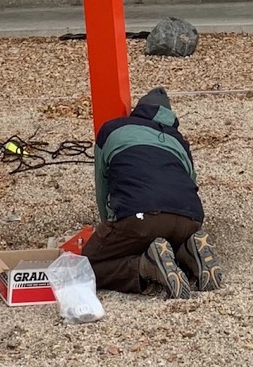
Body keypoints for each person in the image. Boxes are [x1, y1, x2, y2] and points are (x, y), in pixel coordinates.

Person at [85, 88, 223, 298]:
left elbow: (103, 187)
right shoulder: (179, 141)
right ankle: (189, 251)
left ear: (138, 111)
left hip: (140, 216)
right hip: (190, 218)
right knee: (167, 243)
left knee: (86, 265)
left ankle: (144, 265)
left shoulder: (112, 129)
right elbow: (191, 181)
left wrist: (112, 227)